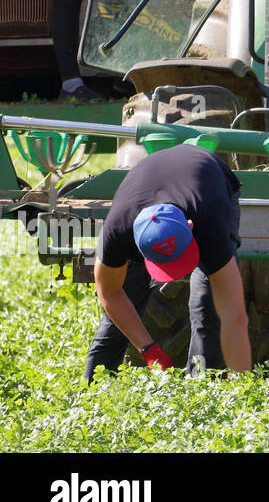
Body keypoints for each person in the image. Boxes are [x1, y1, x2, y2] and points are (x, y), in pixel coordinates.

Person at [88, 143, 250, 380]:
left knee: (209, 304)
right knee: (123, 301)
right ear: (137, 244)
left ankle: (203, 391)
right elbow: (109, 293)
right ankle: (94, 395)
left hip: (209, 177)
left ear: (190, 228)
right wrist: (148, 349)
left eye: (179, 259)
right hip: (145, 187)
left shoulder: (210, 223)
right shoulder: (118, 229)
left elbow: (235, 316)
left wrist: (242, 388)